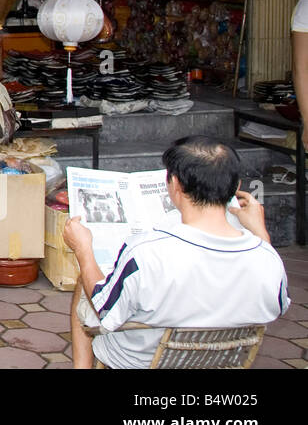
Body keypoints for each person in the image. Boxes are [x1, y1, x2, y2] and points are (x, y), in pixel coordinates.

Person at [64, 136, 290, 369]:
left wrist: (83, 250)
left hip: (140, 360)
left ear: (175, 185)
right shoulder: (267, 256)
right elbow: (279, 305)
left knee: (87, 279)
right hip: (225, 360)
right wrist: (261, 233)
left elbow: (105, 309)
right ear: (236, 187)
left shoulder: (145, 253)